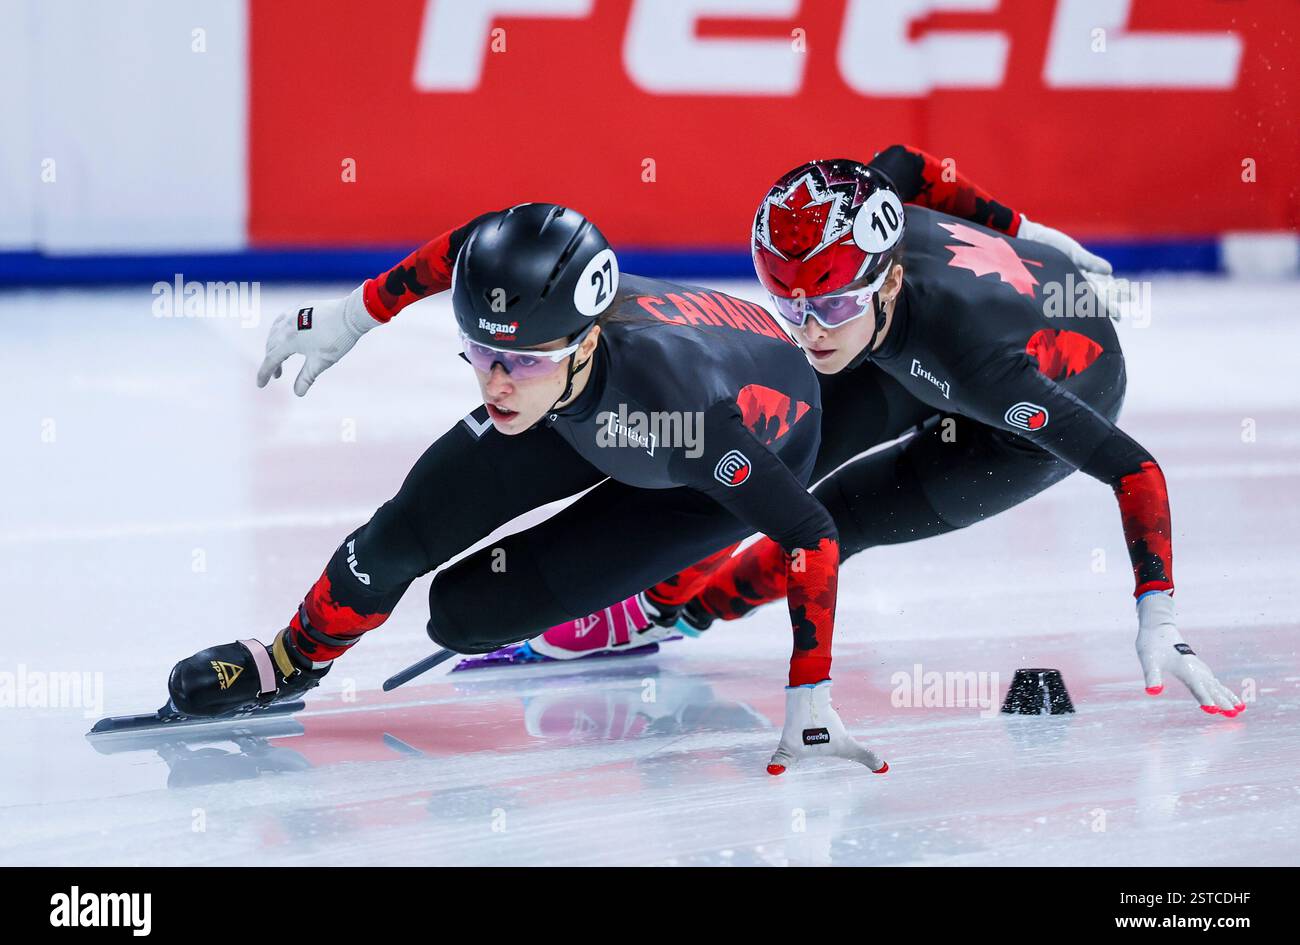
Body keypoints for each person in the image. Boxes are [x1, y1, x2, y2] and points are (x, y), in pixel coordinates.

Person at [479, 146, 1243, 720]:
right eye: (791, 305)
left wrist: (1159, 614)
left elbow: (1134, 468)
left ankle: (681, 616)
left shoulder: (981, 366)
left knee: (837, 522)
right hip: (906, 341)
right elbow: (910, 165)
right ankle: (648, 596)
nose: (809, 331)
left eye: (830, 308)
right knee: (777, 444)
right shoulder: (854, 240)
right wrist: (1029, 229)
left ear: (891, 278)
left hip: (1027, 407)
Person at [163, 202, 889, 774]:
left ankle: (654, 604)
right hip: (581, 408)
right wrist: (349, 320)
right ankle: (291, 661)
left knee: (465, 613)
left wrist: (809, 694)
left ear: (586, 340)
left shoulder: (687, 413)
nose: (497, 384)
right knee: (401, 534)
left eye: (523, 362)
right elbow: (461, 250)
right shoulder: (525, 326)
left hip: (710, 455)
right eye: (481, 352)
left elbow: (812, 533)